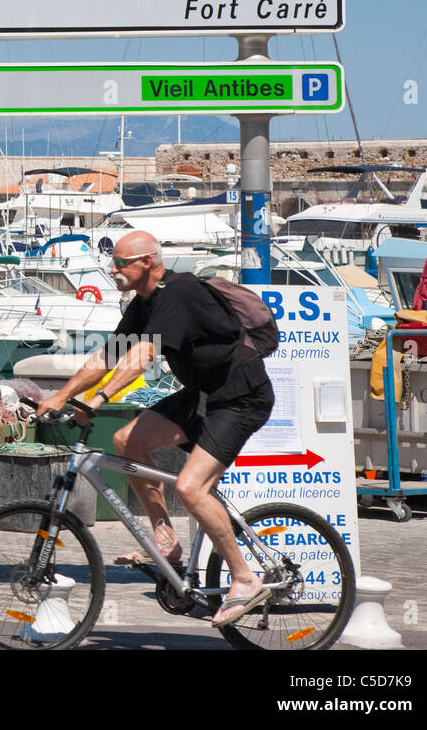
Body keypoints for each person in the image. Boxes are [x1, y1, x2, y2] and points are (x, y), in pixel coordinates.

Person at [36, 231, 276, 628]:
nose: (112, 269)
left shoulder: (177, 293)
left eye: (120, 262)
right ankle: (165, 541)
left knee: (190, 488)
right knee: (126, 441)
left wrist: (99, 398)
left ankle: (245, 578)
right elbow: (110, 354)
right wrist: (60, 397)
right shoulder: (144, 304)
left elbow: (144, 353)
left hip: (239, 397)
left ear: (147, 261)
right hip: (201, 394)